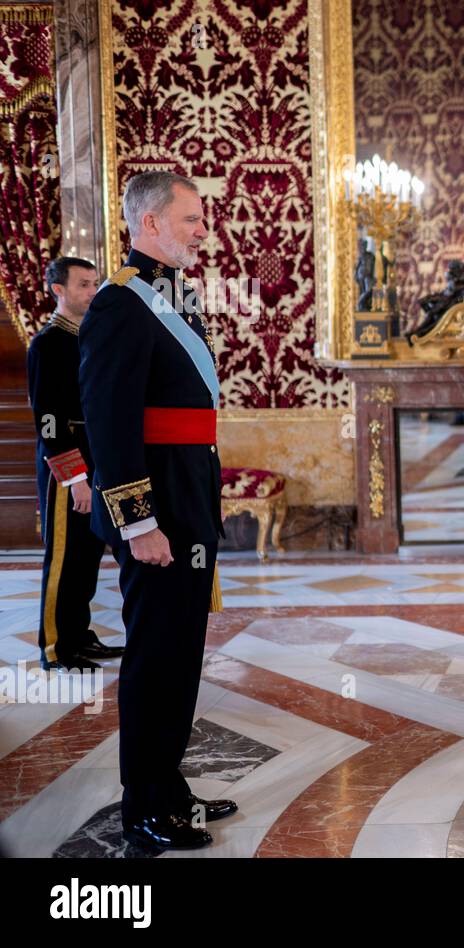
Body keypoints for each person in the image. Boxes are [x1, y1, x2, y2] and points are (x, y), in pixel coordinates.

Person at [79, 171, 236, 850]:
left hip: (188, 490)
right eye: (193, 218)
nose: (204, 229)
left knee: (182, 652)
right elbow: (110, 423)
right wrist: (138, 521)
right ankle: (142, 806)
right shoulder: (119, 303)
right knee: (154, 655)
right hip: (157, 506)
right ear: (150, 224)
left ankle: (169, 787)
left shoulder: (173, 292)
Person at [27, 257, 123, 672]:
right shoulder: (47, 344)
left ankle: (80, 635)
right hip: (66, 468)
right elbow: (48, 420)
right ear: (58, 290)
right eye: (84, 284)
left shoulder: (91, 337)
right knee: (64, 557)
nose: (92, 291)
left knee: (86, 557)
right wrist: (76, 478)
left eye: (95, 283)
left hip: (97, 460)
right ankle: (55, 647)